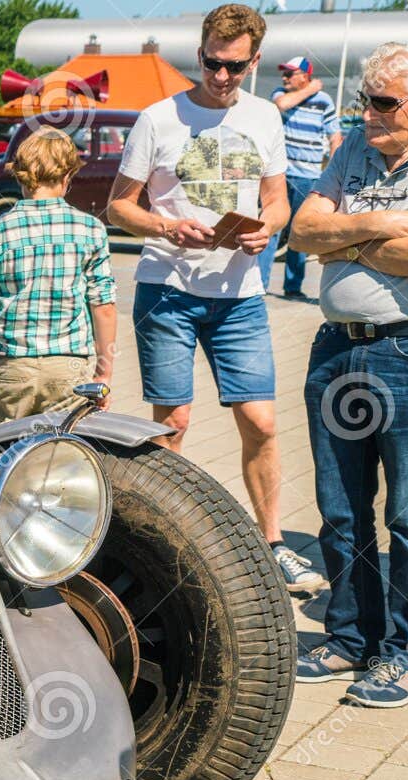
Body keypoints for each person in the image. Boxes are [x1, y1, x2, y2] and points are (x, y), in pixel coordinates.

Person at [106, 5, 315, 594]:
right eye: (213, 64)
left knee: (262, 422)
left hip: (239, 295)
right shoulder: (157, 117)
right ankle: (165, 547)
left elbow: (278, 201)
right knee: (172, 424)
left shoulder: (265, 118)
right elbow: (119, 206)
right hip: (167, 289)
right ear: (199, 55)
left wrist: (267, 228)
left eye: (235, 67)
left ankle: (273, 542)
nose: (222, 77)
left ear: (254, 61)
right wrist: (167, 227)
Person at [288, 42, 408, 705]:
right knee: (340, 510)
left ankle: (403, 651)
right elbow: (303, 229)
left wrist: (344, 235)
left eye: (384, 102)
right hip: (337, 350)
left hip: (402, 355)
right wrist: (376, 229)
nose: (369, 112)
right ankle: (350, 637)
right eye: (366, 99)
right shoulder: (351, 153)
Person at [0, 128, 117, 422]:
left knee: (8, 455)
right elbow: (104, 307)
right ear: (67, 177)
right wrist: (105, 370)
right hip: (69, 365)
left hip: (13, 366)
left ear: (20, 175)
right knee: (64, 457)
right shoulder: (90, 229)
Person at [268, 56, 342, 299]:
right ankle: (258, 285)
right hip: (279, 173)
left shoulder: (324, 101)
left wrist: (334, 173)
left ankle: (292, 288)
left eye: (290, 73)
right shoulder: (280, 94)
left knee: (300, 233)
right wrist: (310, 88)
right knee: (270, 227)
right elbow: (282, 105)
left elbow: (334, 137)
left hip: (308, 177)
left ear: (305, 74)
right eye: (285, 73)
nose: (285, 77)